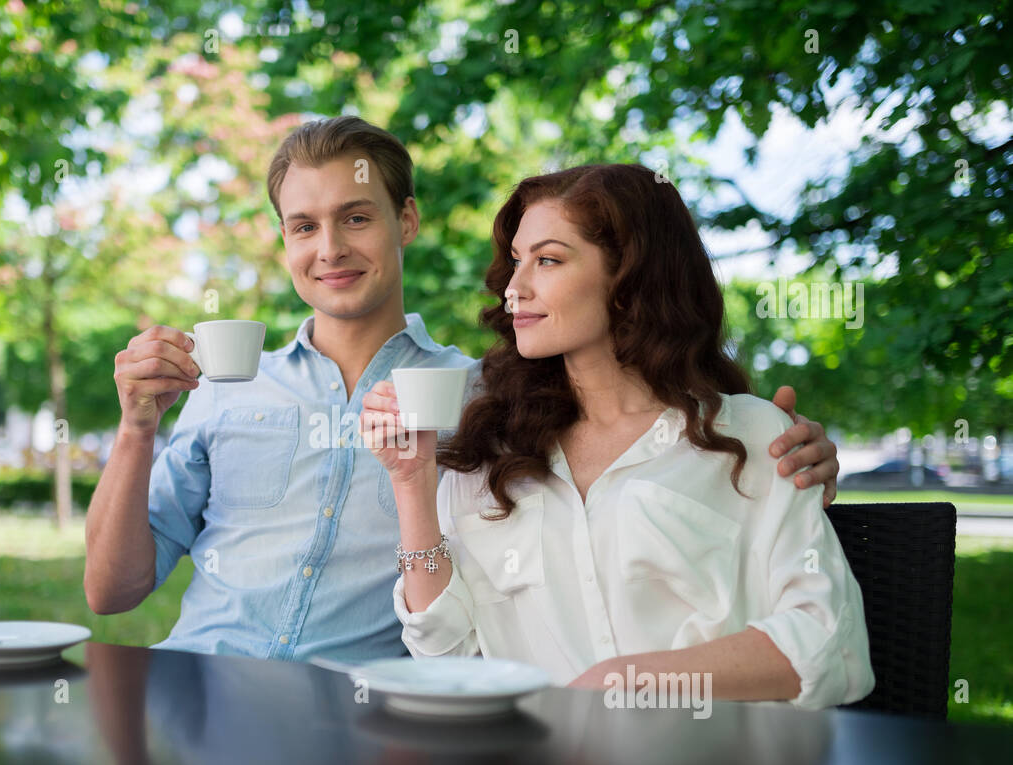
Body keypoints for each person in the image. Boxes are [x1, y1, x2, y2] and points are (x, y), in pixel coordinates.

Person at [84, 117, 842, 665]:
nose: (330, 249)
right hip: (195, 682)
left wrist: (781, 453)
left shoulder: (487, 400)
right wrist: (135, 429)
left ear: (405, 220)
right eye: (303, 226)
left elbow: (636, 424)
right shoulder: (225, 386)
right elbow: (111, 592)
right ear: (284, 240)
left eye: (355, 217)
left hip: (355, 724)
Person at [362, 163, 873, 708]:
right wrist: (413, 483)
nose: (515, 288)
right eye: (516, 262)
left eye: (548, 261)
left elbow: (827, 642)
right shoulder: (490, 455)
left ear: (630, 280)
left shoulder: (754, 435)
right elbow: (448, 660)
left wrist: (625, 681)